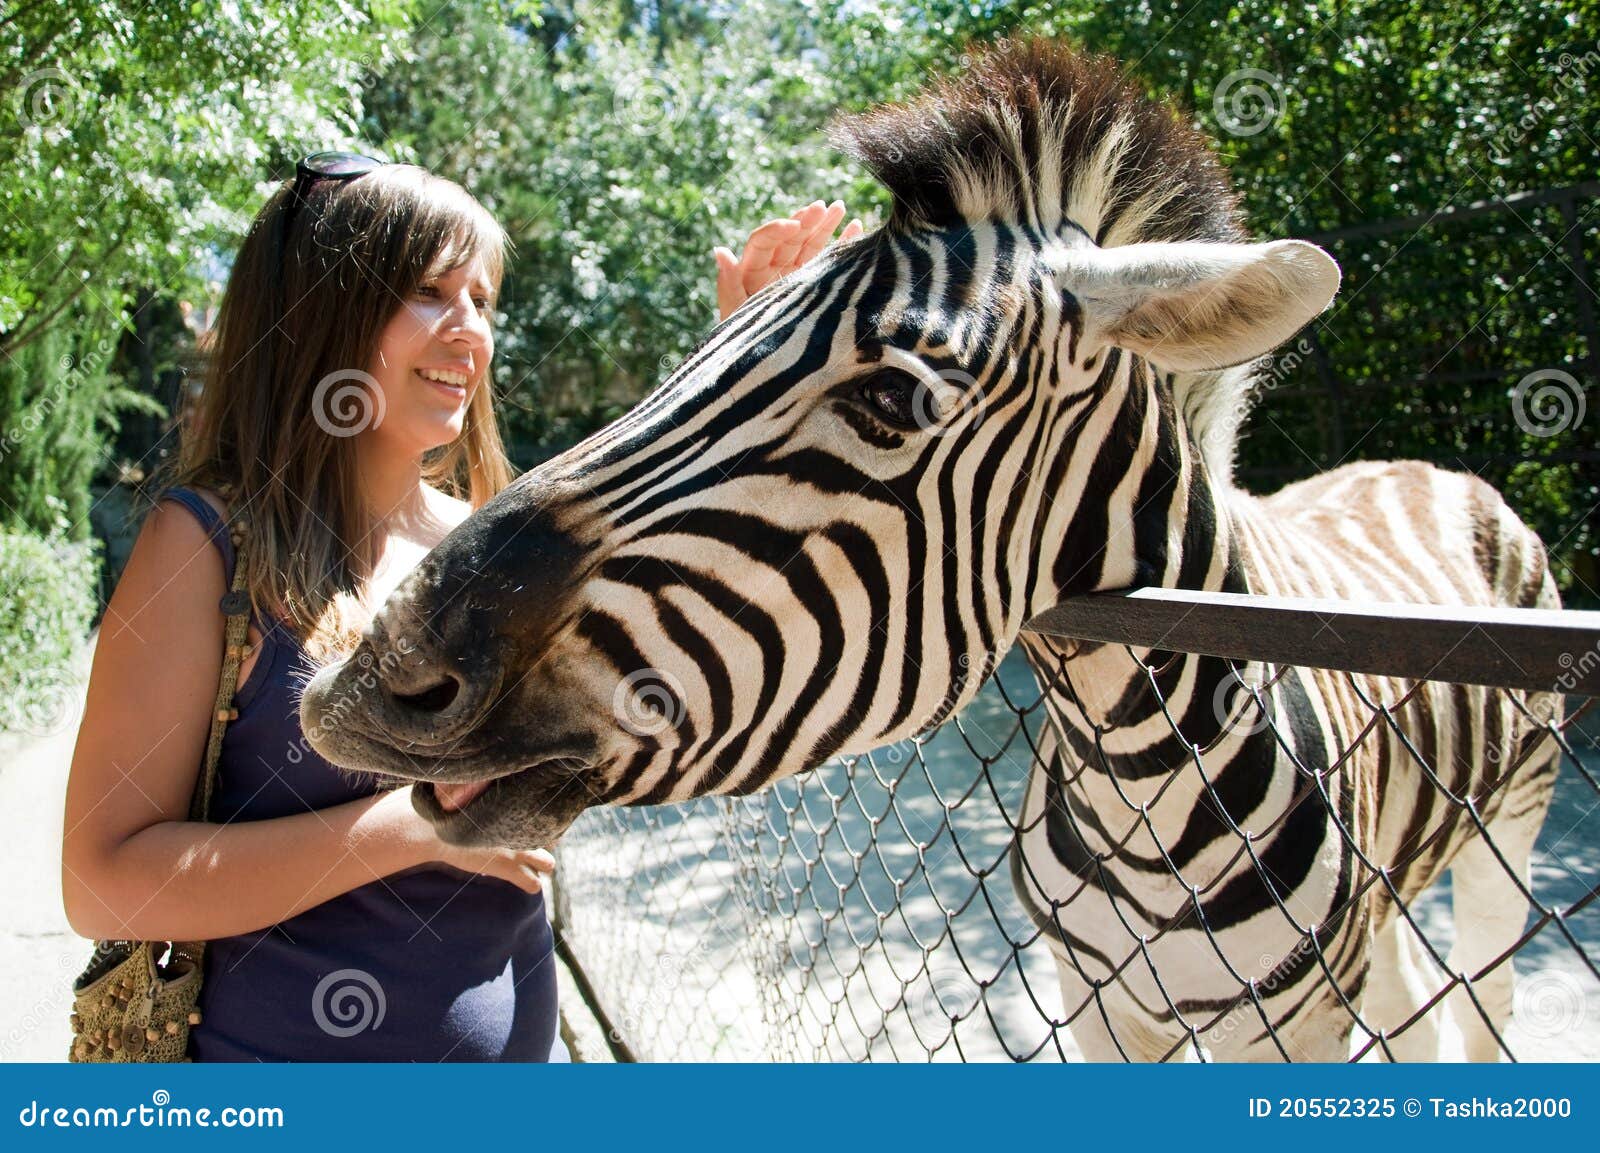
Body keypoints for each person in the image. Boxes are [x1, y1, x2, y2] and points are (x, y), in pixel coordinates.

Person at [60, 152, 861, 1061]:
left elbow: (712, 584)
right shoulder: (204, 547)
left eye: (482, 301)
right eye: (433, 293)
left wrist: (757, 363)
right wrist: (416, 830)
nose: (470, 332)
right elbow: (103, 881)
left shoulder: (490, 542)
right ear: (322, 312)